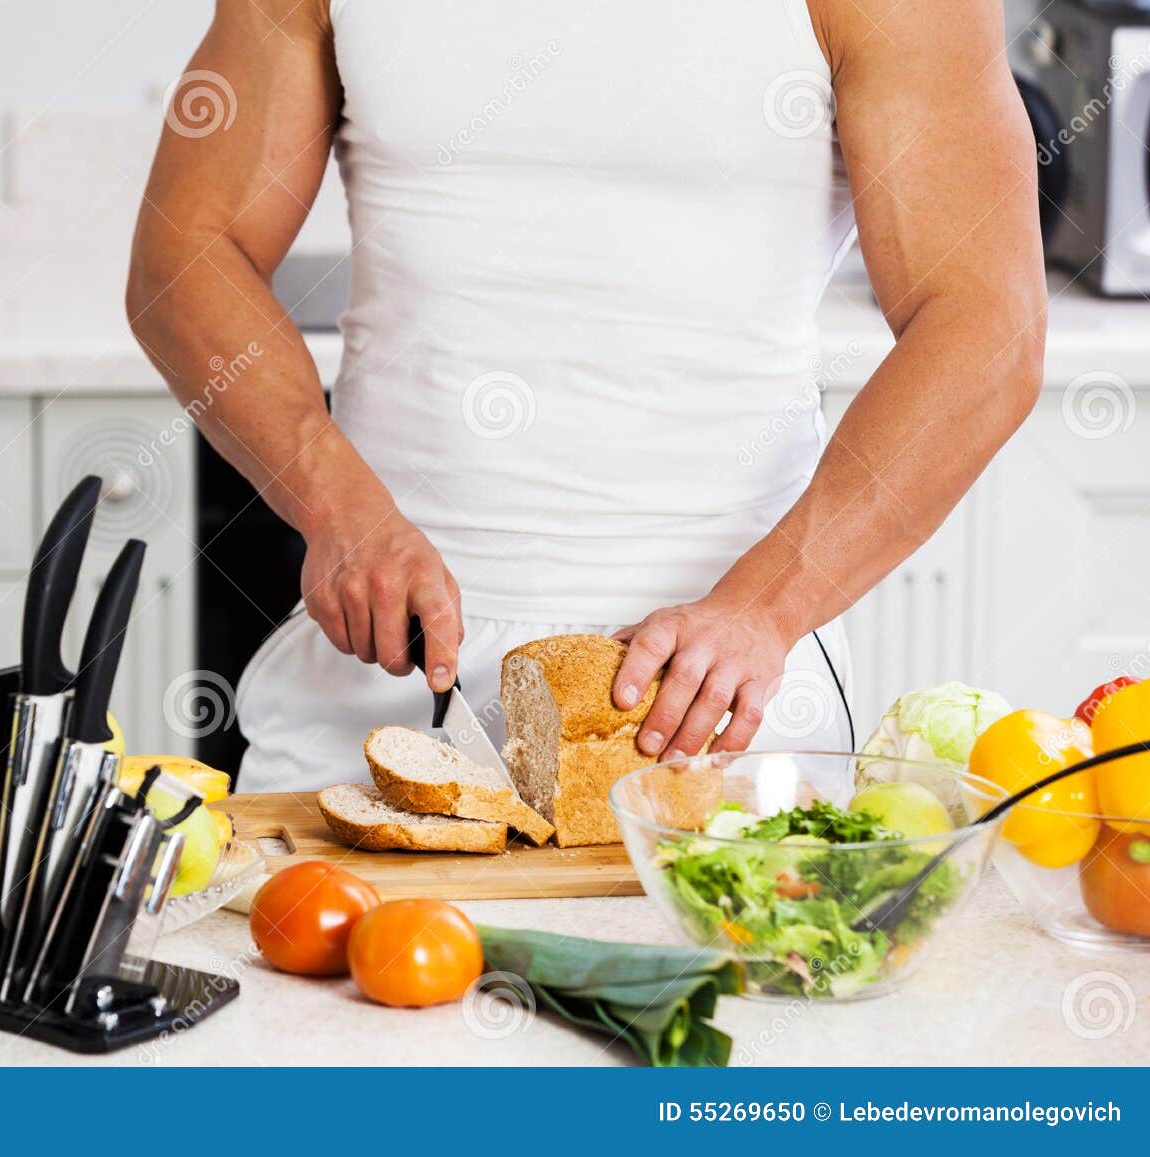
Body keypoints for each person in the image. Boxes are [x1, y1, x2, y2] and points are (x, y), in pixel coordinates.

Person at [127, 0, 1045, 791]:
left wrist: (764, 608)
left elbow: (986, 326)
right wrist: (339, 508)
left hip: (715, 700)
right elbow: (187, 254)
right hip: (380, 681)